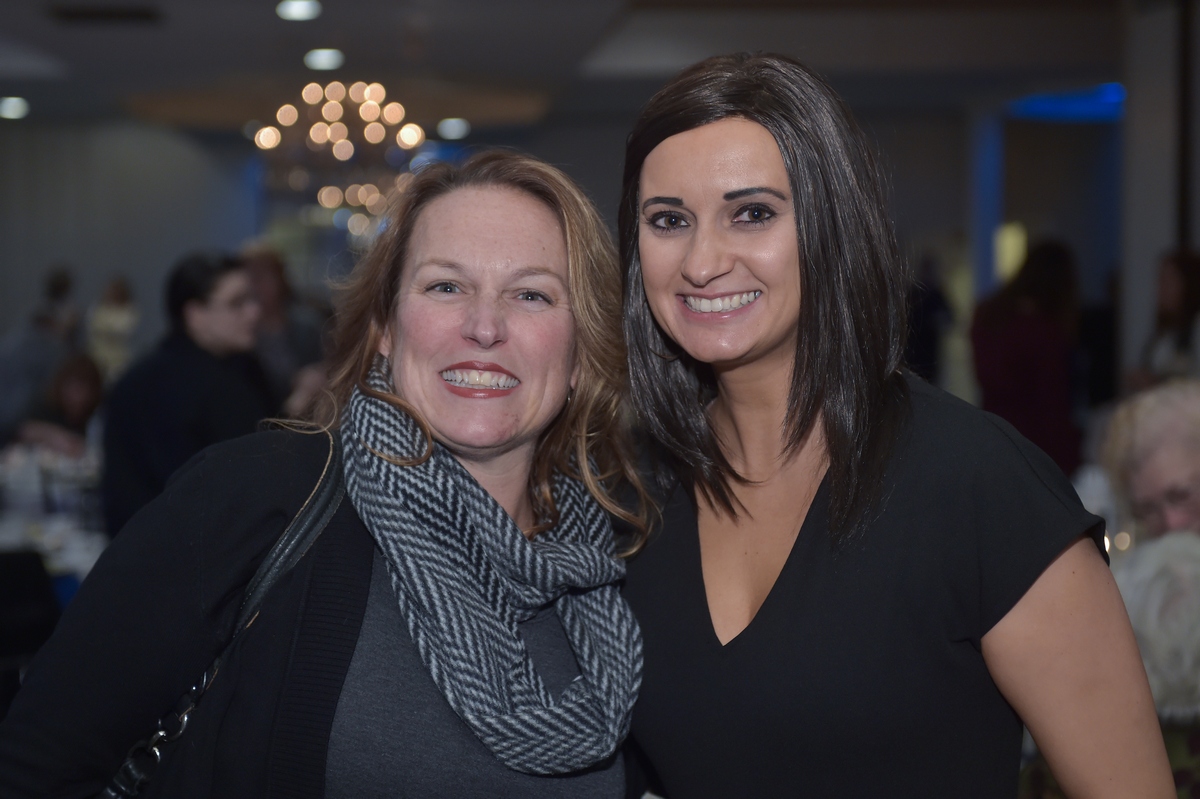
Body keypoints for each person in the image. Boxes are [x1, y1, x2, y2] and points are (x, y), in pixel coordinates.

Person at [0, 150, 649, 798]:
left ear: (580, 348)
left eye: (531, 293)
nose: (484, 326)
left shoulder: (623, 554)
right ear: (385, 329)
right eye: (445, 286)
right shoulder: (255, 496)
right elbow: (36, 767)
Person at [617, 53, 1172, 798]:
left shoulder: (977, 488)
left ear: (831, 226)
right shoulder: (630, 492)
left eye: (752, 213)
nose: (703, 259)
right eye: (668, 220)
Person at [100, 252, 276, 535]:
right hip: (195, 558)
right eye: (237, 303)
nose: (253, 312)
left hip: (136, 556)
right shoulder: (220, 384)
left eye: (252, 299)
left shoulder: (140, 376)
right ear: (195, 315)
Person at [971, 239, 1083, 476]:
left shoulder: (990, 316)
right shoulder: (1045, 332)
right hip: (1037, 451)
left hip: (993, 439)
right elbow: (1052, 404)